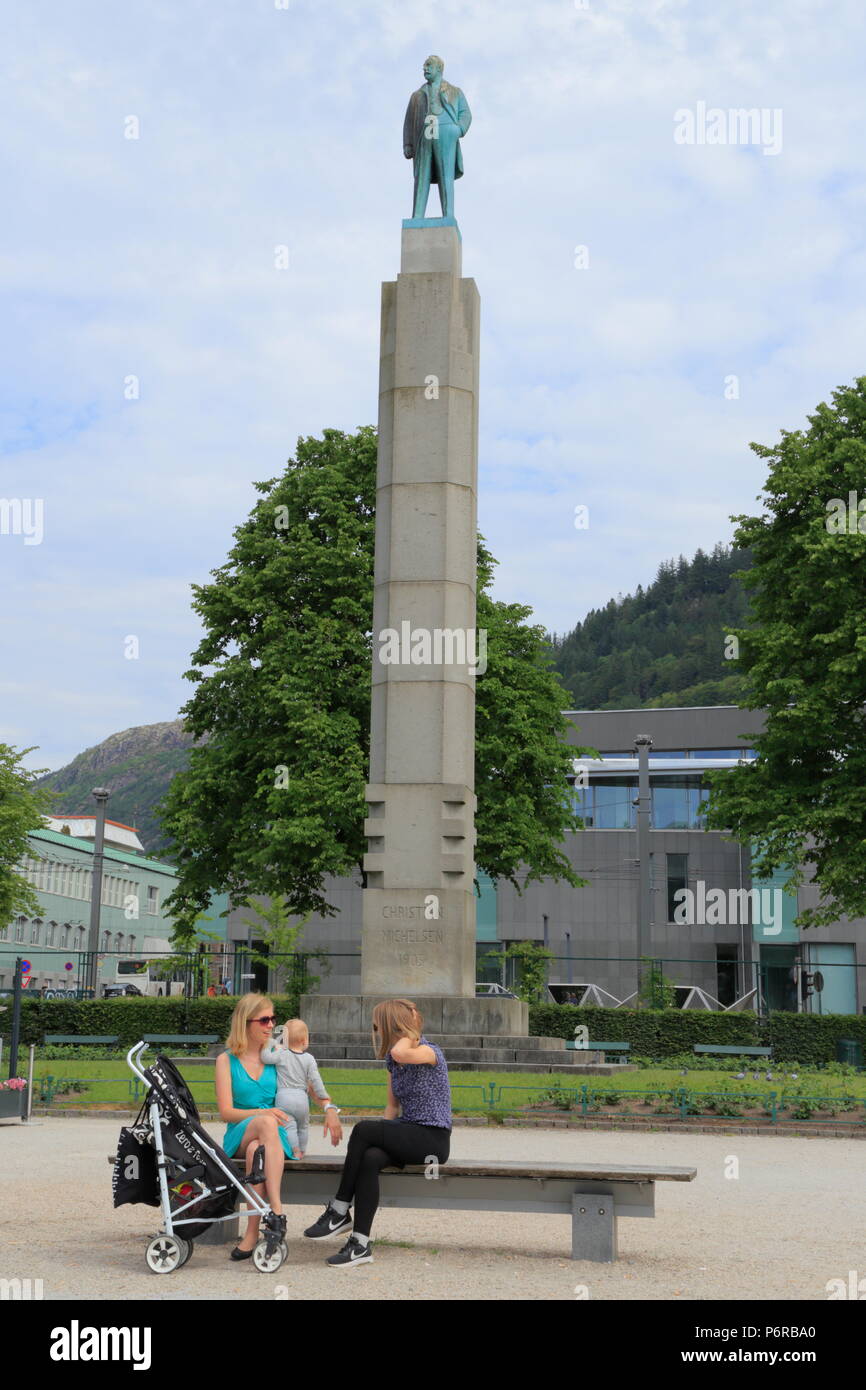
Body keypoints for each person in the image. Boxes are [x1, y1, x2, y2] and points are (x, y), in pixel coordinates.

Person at [303, 998, 451, 1268]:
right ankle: (360, 1244)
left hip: (432, 1139)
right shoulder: (393, 1061)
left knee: (363, 1129)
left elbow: (402, 1053)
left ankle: (339, 1209)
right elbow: (392, 1107)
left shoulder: (430, 1052)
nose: (376, 1031)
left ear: (391, 1025)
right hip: (408, 1133)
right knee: (370, 1156)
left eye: (377, 1025)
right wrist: (382, 1138)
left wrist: (409, 1031)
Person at [214, 995, 342, 1260]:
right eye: (264, 1020)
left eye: (273, 1019)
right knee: (265, 1123)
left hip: (273, 1137)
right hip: (239, 1130)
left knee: (255, 1151)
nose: (271, 1025)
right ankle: (276, 1210)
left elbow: (311, 1089)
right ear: (245, 1022)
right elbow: (226, 1112)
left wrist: (330, 1109)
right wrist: (263, 1113)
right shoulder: (226, 1061)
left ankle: (253, 1232)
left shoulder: (278, 1057)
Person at [260, 1018, 333, 1159]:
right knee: (303, 1126)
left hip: (283, 1097)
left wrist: (269, 1044)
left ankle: (295, 1150)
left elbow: (265, 1058)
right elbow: (316, 1080)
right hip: (301, 1098)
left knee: (289, 1126)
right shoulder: (309, 1059)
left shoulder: (281, 1054)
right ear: (304, 1040)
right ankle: (303, 1150)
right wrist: (323, 1095)